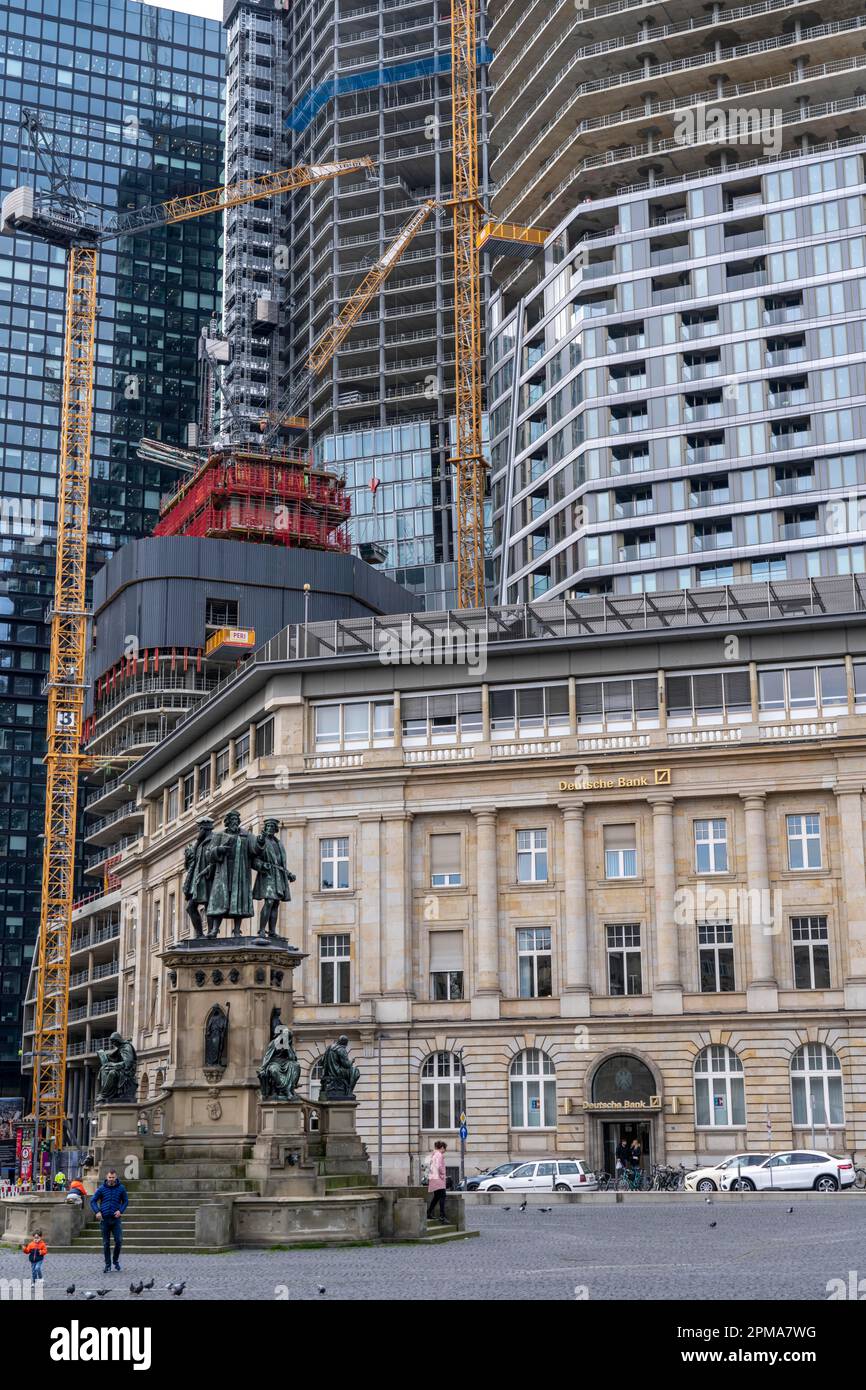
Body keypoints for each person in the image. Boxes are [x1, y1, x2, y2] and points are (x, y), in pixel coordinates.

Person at [90, 1168, 129, 1274]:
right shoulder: (101, 1188)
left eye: (113, 1177)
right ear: (107, 1177)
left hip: (116, 1219)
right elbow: (93, 1201)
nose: (111, 1179)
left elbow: (126, 1201)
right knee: (106, 1243)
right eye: (109, 1177)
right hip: (105, 1219)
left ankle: (115, 1261)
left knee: (119, 1241)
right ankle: (108, 1265)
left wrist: (120, 1211)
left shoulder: (121, 1188)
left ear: (116, 1177)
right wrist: (97, 1211)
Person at [426, 1139, 448, 1224]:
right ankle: (442, 1216)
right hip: (438, 1178)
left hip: (433, 1178)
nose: (445, 1151)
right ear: (442, 1147)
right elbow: (439, 1166)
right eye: (444, 1149)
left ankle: (429, 1212)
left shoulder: (434, 1154)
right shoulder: (439, 1154)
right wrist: (443, 1175)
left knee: (436, 1197)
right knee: (442, 1196)